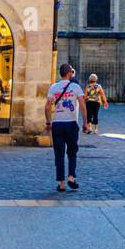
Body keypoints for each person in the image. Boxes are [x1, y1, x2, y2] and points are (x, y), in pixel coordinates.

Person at [45, 63, 87, 193]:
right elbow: (83, 106)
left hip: (57, 123)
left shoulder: (54, 87)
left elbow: (47, 107)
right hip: (71, 123)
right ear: (69, 73)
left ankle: (61, 183)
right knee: (72, 152)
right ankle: (71, 178)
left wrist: (48, 122)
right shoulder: (75, 87)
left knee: (59, 153)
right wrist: (85, 123)